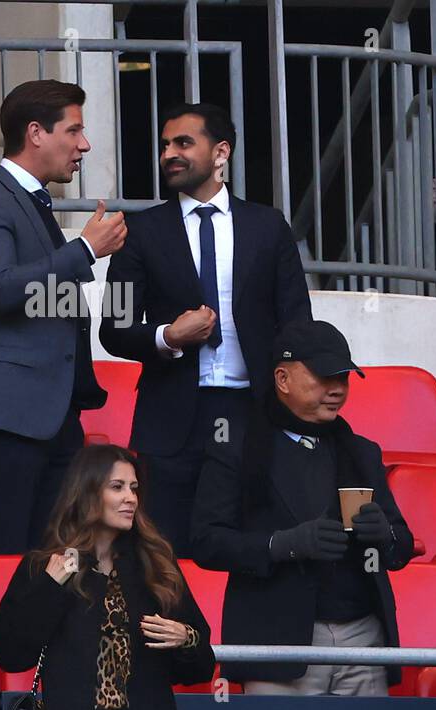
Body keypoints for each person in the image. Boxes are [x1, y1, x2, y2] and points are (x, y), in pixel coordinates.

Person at [100, 103, 313, 556]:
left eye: (183, 143)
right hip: (172, 421)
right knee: (162, 557)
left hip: (253, 415)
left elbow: (298, 325)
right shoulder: (138, 231)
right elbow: (113, 328)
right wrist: (168, 337)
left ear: (221, 153)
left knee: (250, 547)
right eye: (164, 145)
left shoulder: (268, 226)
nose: (169, 154)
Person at [0, 80, 126, 554]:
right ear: (36, 133)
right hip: (6, 417)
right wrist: (85, 249)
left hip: (52, 416)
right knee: (6, 560)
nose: (84, 144)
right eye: (75, 130)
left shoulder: (32, 204)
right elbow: (3, 289)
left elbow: (42, 300)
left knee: (55, 564)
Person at [190, 320, 414, 695]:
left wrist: (385, 536)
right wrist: (285, 544)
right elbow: (206, 541)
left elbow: (401, 546)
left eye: (344, 378)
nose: (338, 389)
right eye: (326, 377)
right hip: (278, 641)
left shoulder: (362, 452)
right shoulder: (236, 448)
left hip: (363, 636)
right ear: (282, 378)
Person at [0, 444, 214, 710]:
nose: (130, 498)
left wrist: (186, 638)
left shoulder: (155, 566)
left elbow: (202, 665)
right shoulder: (49, 566)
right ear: (86, 492)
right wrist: (50, 585)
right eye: (117, 487)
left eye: (134, 488)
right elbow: (10, 652)